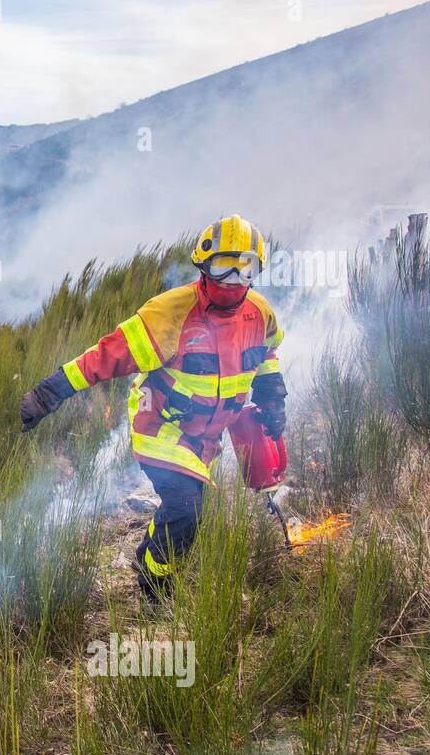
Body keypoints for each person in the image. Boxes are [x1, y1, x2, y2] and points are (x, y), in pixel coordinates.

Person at [20, 215, 288, 601]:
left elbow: (268, 353)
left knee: (187, 513)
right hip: (161, 426)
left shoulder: (259, 313)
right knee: (185, 509)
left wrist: (272, 394)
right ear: (203, 265)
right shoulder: (170, 314)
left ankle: (158, 555)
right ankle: (153, 579)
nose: (233, 277)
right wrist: (48, 394)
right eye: (222, 265)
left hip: (207, 438)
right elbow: (105, 356)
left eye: (245, 266)